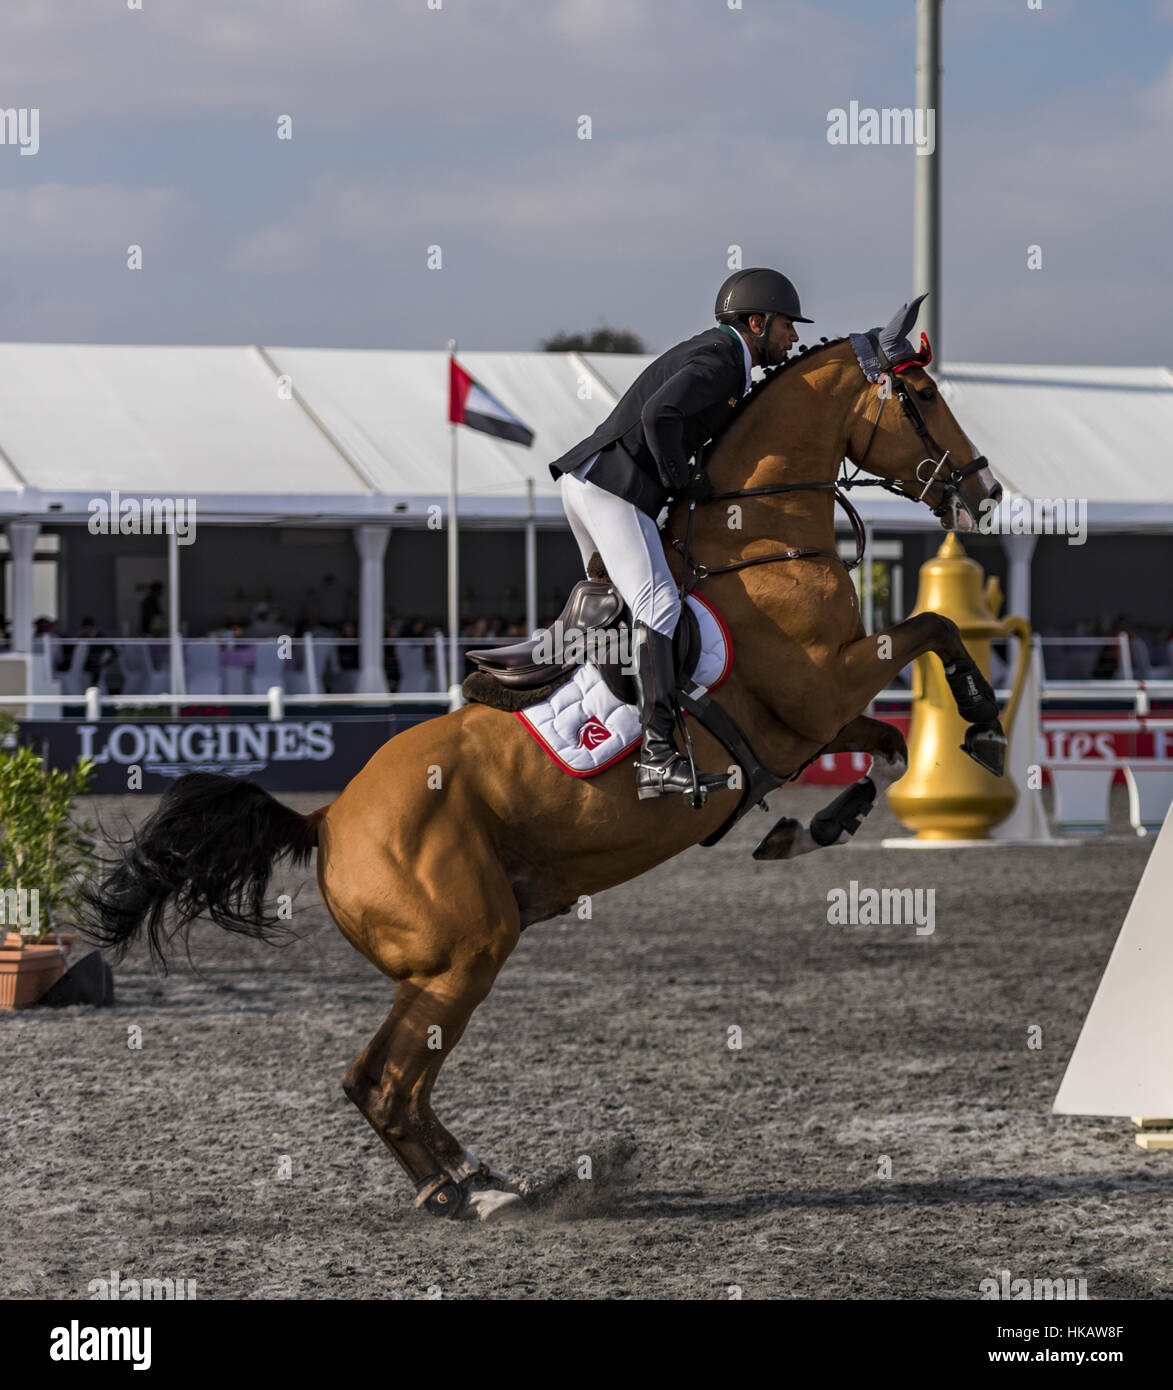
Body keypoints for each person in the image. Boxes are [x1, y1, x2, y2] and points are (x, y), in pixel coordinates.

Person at [548, 267, 811, 799]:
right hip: (613, 488)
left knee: (619, 610)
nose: (795, 336)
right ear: (756, 323)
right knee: (659, 606)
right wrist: (684, 480)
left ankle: (596, 721)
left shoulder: (722, 357)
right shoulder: (720, 359)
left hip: (588, 483)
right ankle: (658, 754)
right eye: (787, 325)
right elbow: (659, 413)